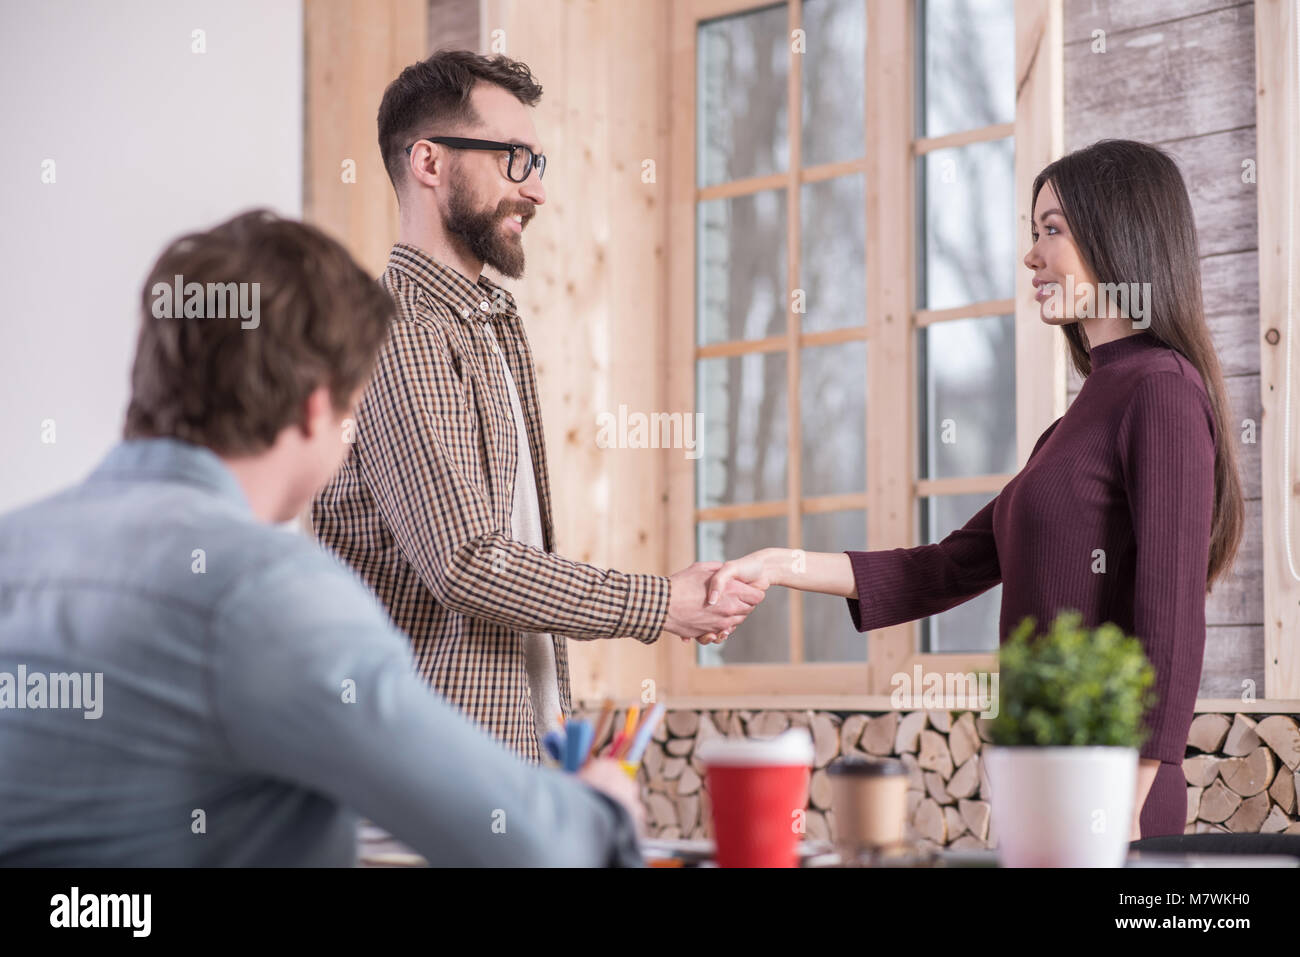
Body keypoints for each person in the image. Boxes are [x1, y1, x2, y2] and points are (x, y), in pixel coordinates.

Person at [0, 210, 647, 866]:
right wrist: (602, 806)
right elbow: (541, 844)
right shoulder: (270, 592)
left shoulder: (13, 550)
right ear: (317, 407)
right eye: (356, 409)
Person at [704, 139, 1244, 841]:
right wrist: (777, 564)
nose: (1032, 254)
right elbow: (944, 567)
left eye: (1052, 229)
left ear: (1120, 232)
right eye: (1033, 231)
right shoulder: (1078, 419)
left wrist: (1126, 806)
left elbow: (1169, 621)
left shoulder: (1161, 391)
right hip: (1045, 785)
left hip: (1108, 807)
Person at [311, 50, 764, 764]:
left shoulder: (490, 323)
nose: (537, 192)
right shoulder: (400, 331)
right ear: (429, 163)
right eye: (514, 160)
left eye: (538, 164)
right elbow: (464, 561)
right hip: (427, 769)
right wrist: (660, 602)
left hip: (511, 756)